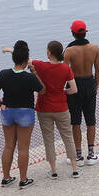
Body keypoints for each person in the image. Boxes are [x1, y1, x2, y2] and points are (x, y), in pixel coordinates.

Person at [0, 40, 45, 188]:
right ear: (26, 61)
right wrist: (34, 73)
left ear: (13, 59)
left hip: (7, 112)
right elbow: (42, 90)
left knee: (9, 146)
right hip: (25, 113)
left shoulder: (3, 74)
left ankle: (6, 177)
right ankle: (23, 179)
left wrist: (1, 104)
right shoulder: (29, 77)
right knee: (23, 148)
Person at [26, 41, 80, 179]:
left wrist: (10, 50)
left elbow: (25, 59)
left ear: (49, 52)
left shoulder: (41, 66)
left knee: (48, 139)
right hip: (61, 107)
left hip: (44, 108)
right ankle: (75, 168)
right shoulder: (65, 68)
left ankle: (54, 170)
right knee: (68, 137)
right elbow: (74, 89)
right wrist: (63, 92)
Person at [64, 20, 99, 166]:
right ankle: (91, 155)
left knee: (75, 121)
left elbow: (64, 72)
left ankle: (78, 156)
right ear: (85, 33)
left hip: (74, 85)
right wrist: (95, 86)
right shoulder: (94, 48)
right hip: (89, 83)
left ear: (73, 34)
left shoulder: (69, 51)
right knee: (91, 120)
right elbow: (98, 71)